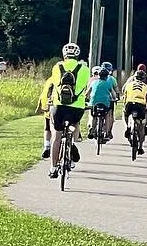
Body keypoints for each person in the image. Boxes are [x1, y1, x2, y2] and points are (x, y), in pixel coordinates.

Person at [39, 43, 90, 178]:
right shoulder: (85, 69)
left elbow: (55, 84)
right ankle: (72, 143)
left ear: (64, 54)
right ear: (77, 55)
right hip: (77, 107)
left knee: (56, 136)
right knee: (75, 123)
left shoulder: (57, 67)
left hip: (59, 106)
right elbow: (84, 87)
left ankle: (53, 168)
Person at [120, 66, 147, 153]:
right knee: (141, 127)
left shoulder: (129, 85)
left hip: (129, 104)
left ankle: (127, 127)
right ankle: (140, 147)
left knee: (124, 114)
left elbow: (124, 96)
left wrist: (124, 105)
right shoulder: (145, 86)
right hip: (140, 106)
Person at [86, 62, 119, 142]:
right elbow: (114, 94)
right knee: (107, 116)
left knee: (94, 116)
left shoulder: (93, 82)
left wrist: (86, 98)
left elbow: (87, 93)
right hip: (105, 103)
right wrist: (115, 98)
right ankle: (107, 132)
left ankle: (92, 129)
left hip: (94, 102)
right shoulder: (109, 83)